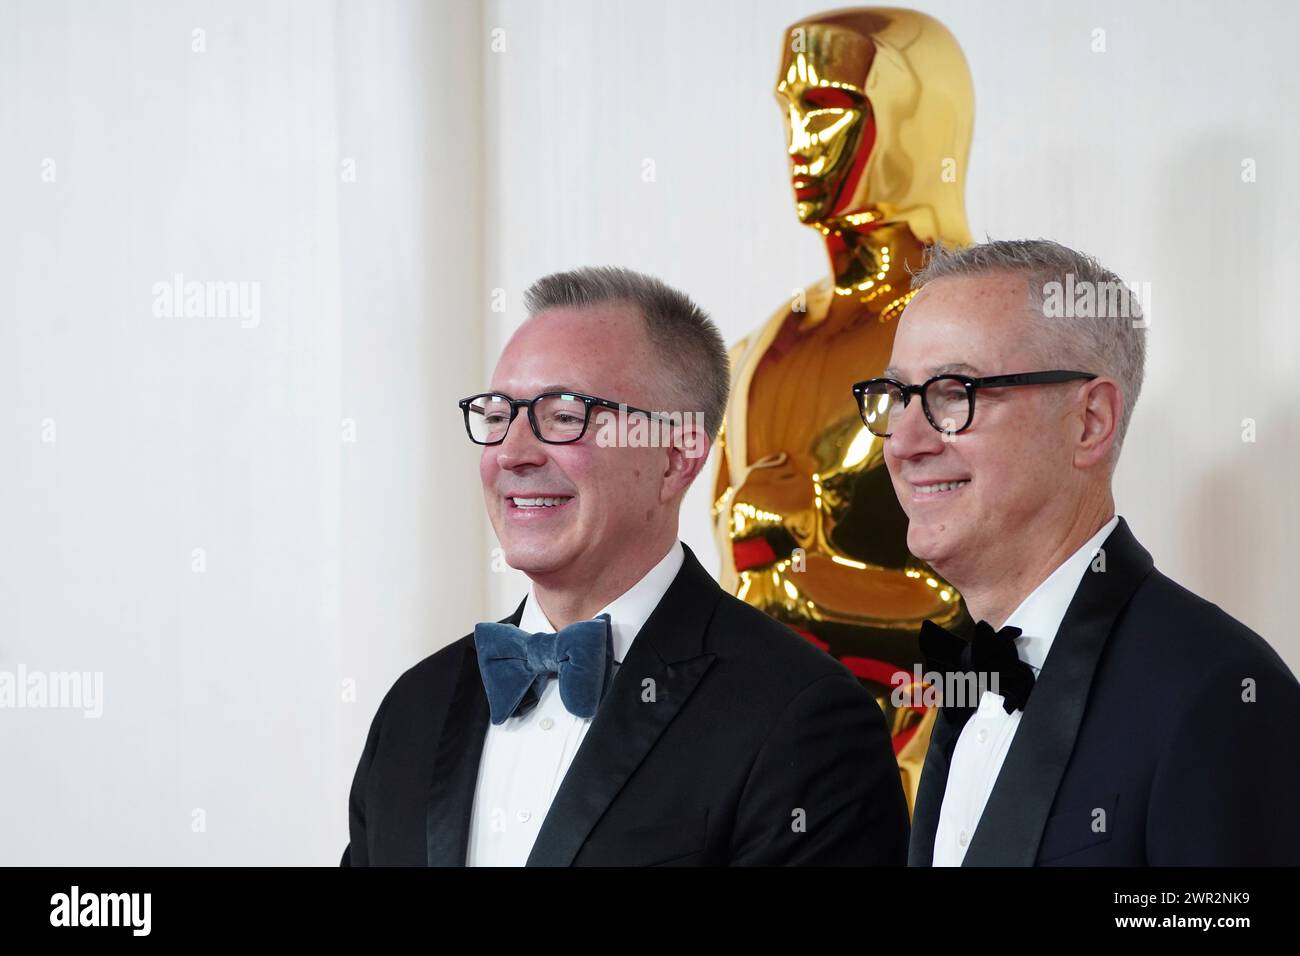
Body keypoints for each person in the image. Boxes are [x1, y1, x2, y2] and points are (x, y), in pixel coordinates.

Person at [343, 266, 908, 866]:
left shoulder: (803, 717)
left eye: (564, 416)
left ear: (673, 458)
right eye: (499, 414)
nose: (511, 453)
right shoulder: (414, 708)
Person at [853, 238, 1300, 865]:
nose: (903, 441)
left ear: (1089, 421)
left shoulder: (1219, 694)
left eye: (954, 393)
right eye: (898, 395)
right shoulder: (964, 672)